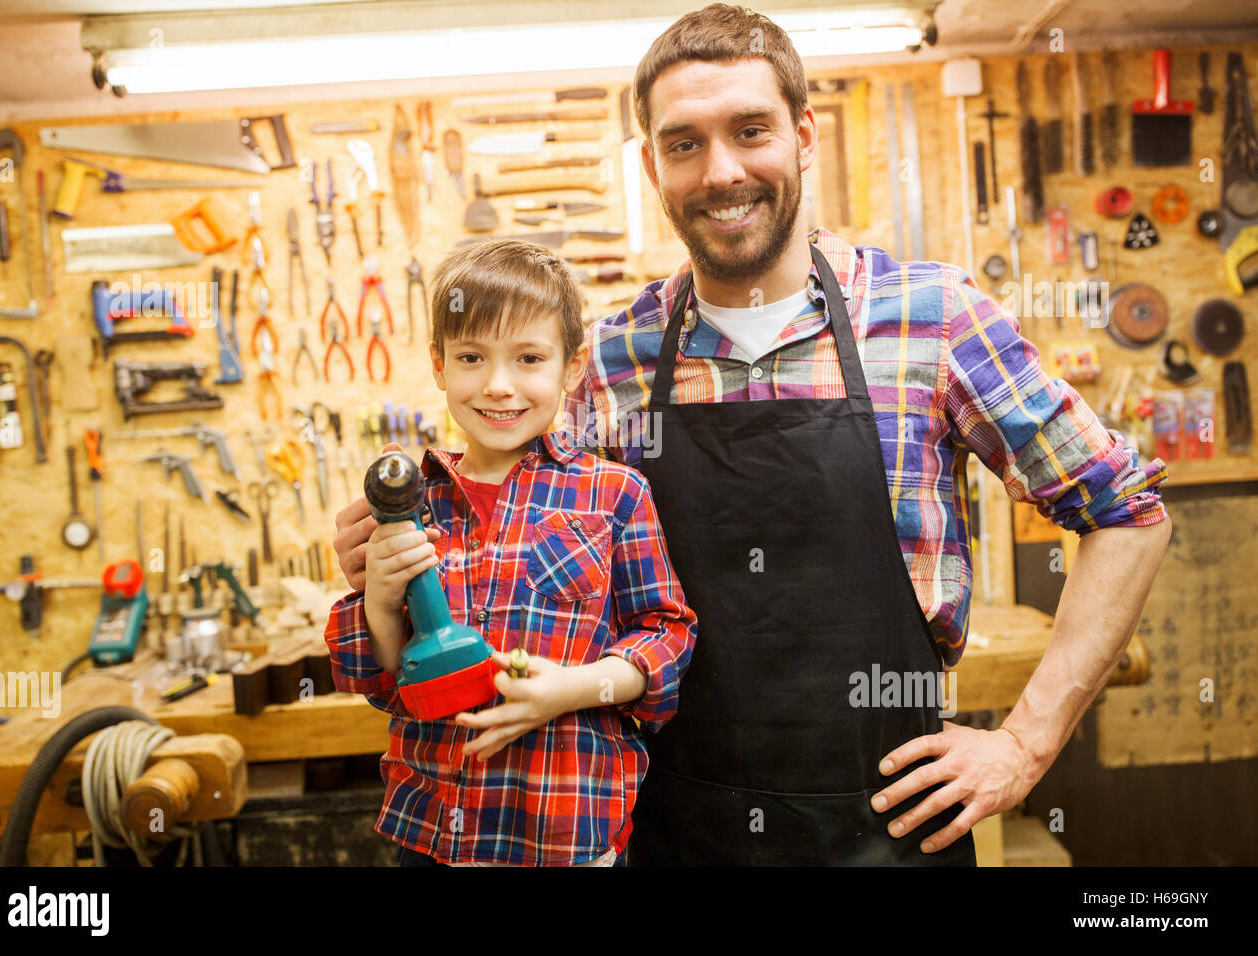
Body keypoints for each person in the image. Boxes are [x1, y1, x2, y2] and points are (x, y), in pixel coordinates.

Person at [337, 4, 1172, 865]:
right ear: (653, 164)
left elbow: (1128, 514)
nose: (721, 170)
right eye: (684, 142)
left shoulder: (933, 322)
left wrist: (1025, 744)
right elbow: (504, 531)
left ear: (804, 133)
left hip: (888, 823)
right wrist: (392, 546)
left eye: (750, 130)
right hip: (671, 830)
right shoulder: (612, 360)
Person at [324, 239, 696, 866]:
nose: (499, 386)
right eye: (472, 357)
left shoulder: (614, 494)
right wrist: (384, 605)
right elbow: (390, 679)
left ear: (572, 367)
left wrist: (571, 689)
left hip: (566, 831)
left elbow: (666, 636)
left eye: (528, 358)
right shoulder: (412, 504)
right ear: (439, 366)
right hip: (435, 833)